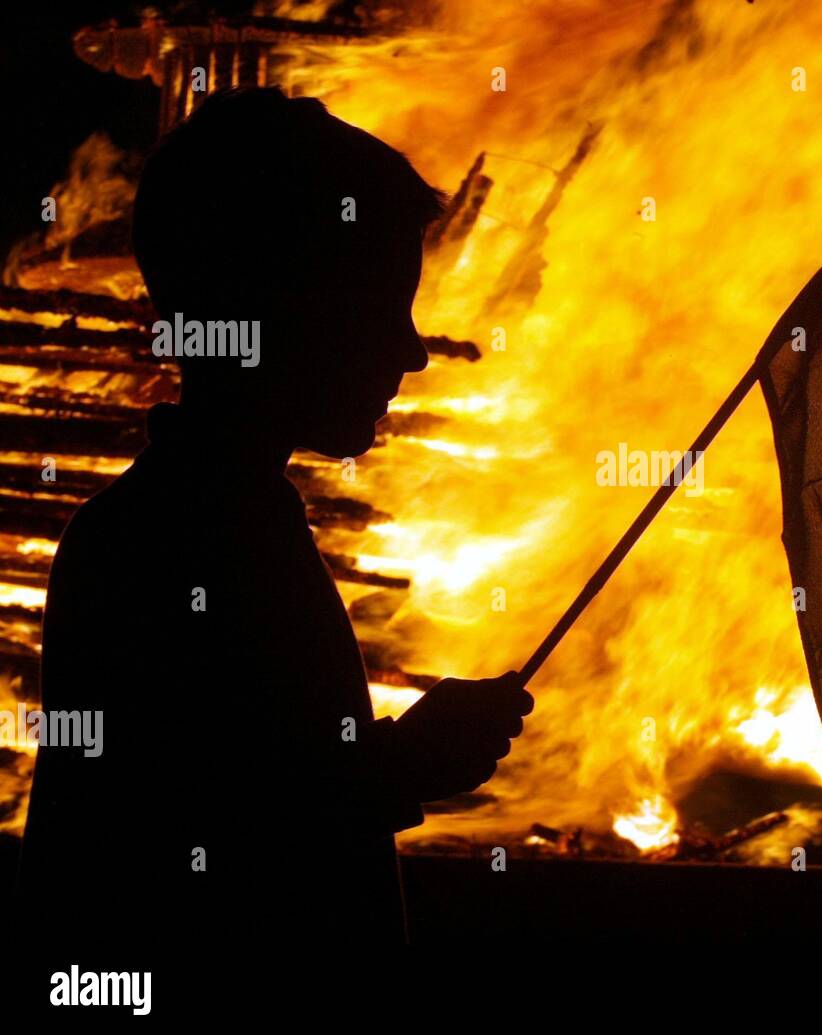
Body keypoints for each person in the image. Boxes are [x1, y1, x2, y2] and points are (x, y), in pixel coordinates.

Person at [18, 87, 532, 950]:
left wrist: (386, 766)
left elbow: (237, 780)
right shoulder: (159, 546)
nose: (410, 349)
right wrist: (393, 770)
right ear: (284, 311)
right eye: (379, 309)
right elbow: (160, 862)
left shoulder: (225, 526)